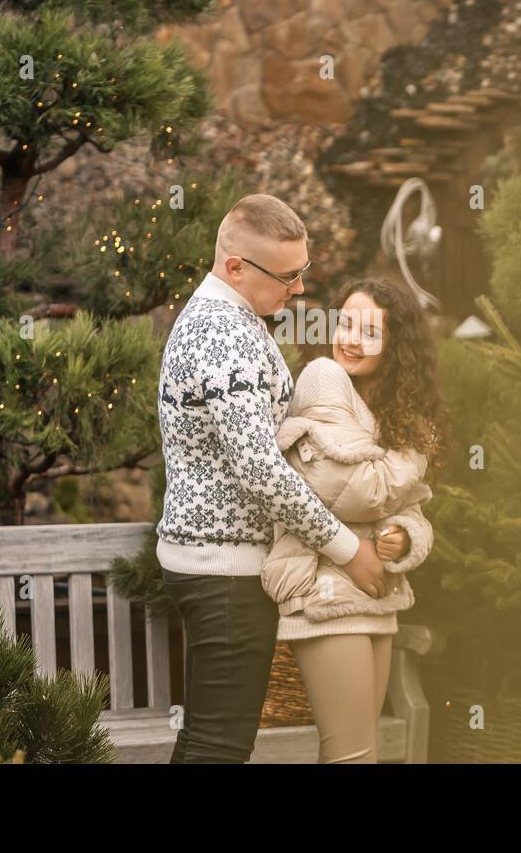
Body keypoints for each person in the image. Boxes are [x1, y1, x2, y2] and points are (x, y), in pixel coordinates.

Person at [155, 193, 387, 763]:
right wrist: (346, 547)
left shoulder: (233, 320)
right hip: (224, 572)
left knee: (213, 741)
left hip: (222, 567)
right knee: (218, 747)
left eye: (302, 272)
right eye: (288, 276)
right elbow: (260, 468)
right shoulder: (222, 335)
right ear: (235, 266)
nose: (300, 289)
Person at [261, 277, 450, 763]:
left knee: (360, 753)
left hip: (376, 598)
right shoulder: (324, 377)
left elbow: (412, 507)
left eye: (369, 330)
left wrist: (403, 538)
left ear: (396, 344)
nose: (350, 338)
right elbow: (341, 488)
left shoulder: (397, 410)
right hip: (325, 590)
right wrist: (398, 466)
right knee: (353, 755)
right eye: (345, 322)